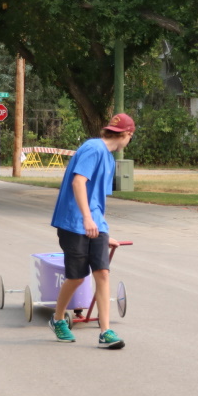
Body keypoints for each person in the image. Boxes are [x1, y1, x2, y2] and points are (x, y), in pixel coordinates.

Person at [48, 112, 135, 348]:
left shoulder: (108, 158)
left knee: (103, 274)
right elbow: (78, 182)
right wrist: (87, 219)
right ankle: (57, 320)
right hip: (73, 222)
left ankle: (106, 331)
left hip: (93, 224)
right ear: (128, 134)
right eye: (130, 137)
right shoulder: (93, 148)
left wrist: (103, 231)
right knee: (76, 277)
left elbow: (96, 199)